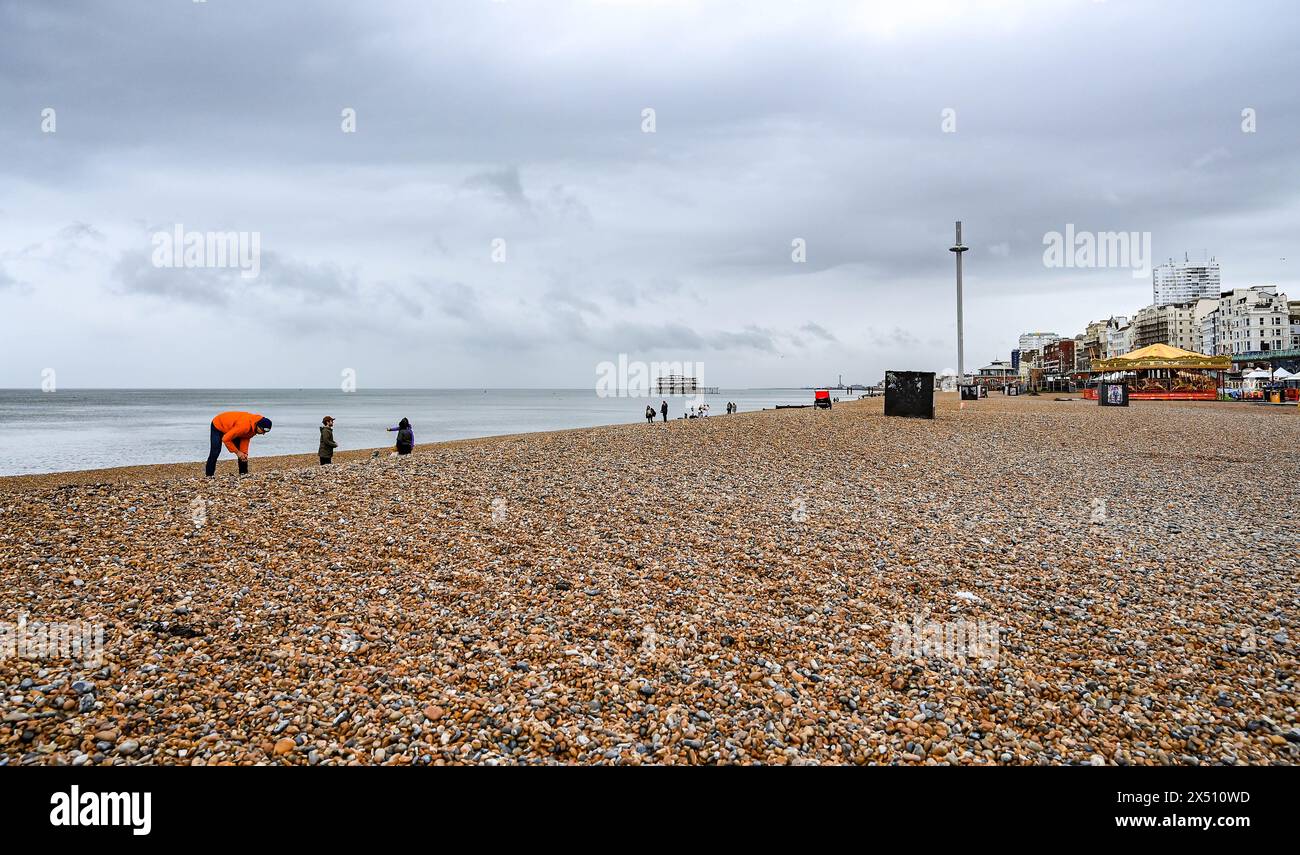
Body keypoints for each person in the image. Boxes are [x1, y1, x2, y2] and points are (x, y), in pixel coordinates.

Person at [206, 411, 271, 477]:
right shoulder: (244, 426)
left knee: (243, 455)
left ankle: (243, 474)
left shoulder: (254, 427)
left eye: (265, 432)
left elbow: (245, 438)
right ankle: (209, 475)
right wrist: (237, 452)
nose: (263, 433)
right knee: (215, 451)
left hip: (233, 428)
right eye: (263, 431)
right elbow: (225, 439)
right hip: (218, 424)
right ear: (258, 425)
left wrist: (244, 453)